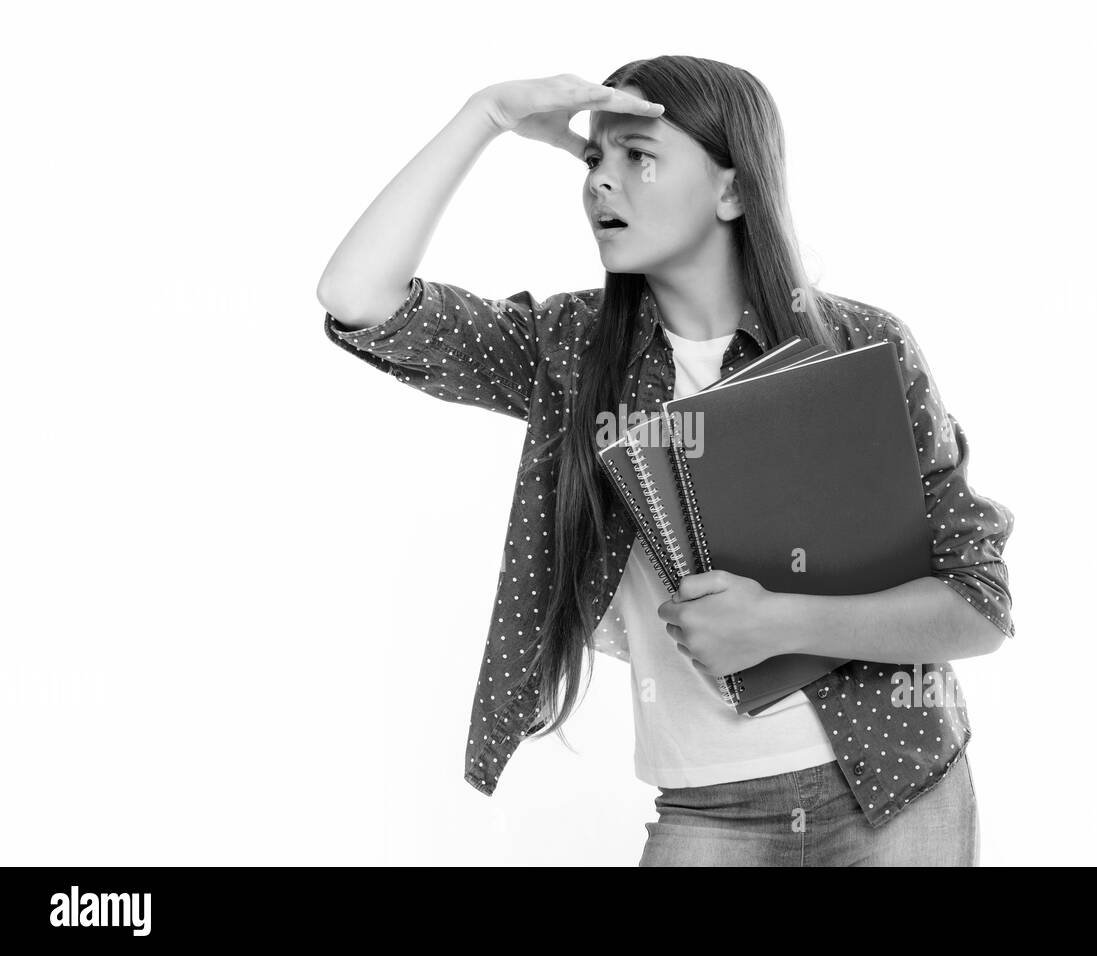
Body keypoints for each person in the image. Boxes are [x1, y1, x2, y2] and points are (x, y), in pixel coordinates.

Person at [318, 56, 1015, 866]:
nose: (600, 184)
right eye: (593, 161)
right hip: (705, 812)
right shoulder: (571, 354)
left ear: (733, 191)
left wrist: (780, 624)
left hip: (898, 789)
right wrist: (486, 115)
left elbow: (978, 604)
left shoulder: (862, 346)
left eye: (638, 157)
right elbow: (358, 298)